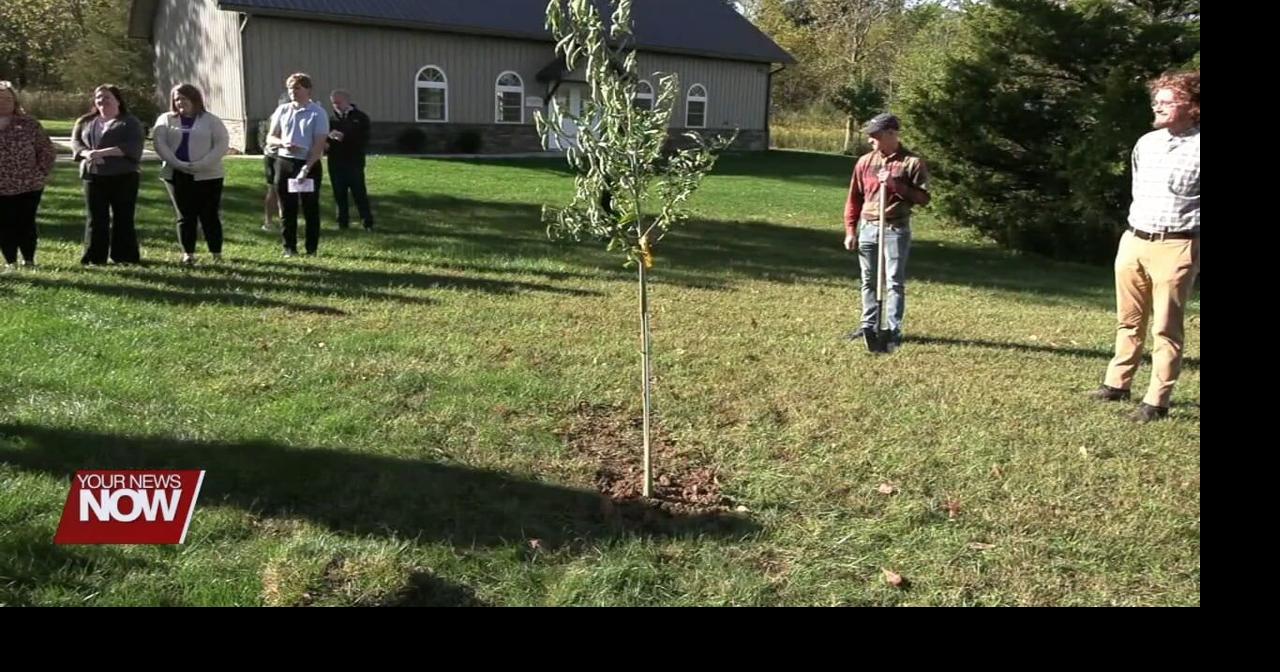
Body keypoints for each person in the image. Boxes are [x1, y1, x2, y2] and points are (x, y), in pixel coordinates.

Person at [1092, 70, 1200, 423]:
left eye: (1168, 101)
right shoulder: (1147, 143)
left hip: (1177, 246)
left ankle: (1157, 401)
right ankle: (1116, 384)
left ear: (1193, 106)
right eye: (1157, 100)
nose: (1158, 106)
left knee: (1166, 328)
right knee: (1128, 320)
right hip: (1134, 240)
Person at [842, 113, 930, 349]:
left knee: (893, 282)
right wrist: (851, 230)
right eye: (869, 135)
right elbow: (854, 199)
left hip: (895, 229)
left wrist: (894, 184)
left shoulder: (912, 163)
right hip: (869, 228)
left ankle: (892, 330)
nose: (870, 140)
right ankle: (868, 326)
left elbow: (923, 198)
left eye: (875, 135)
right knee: (868, 281)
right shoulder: (864, 162)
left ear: (892, 134)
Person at [152, 83, 230, 265]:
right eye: (177, 99)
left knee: (209, 215)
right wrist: (177, 163)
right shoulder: (166, 119)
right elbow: (159, 143)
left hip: (209, 175)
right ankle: (188, 253)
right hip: (176, 173)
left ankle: (216, 253)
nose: (180, 102)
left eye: (184, 98)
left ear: (195, 99)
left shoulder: (211, 120)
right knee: (185, 215)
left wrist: (201, 164)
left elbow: (221, 144)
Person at [72, 84, 145, 265]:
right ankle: (95, 257)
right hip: (93, 175)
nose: (102, 101)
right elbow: (76, 142)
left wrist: (101, 153)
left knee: (123, 217)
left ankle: (124, 256)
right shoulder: (85, 121)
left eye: (107, 97)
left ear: (118, 101)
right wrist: (86, 153)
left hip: (123, 176)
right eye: (99, 97)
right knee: (96, 218)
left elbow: (133, 147)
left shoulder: (129, 122)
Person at [266, 73, 328, 257]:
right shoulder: (283, 110)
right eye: (290, 88)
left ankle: (311, 249)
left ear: (307, 90)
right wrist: (282, 143)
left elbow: (318, 146)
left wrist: (306, 169)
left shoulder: (318, 112)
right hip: (285, 162)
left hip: (308, 163)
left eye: (297, 88)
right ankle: (289, 248)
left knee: (310, 208)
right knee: (287, 208)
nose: (292, 92)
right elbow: (270, 137)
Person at [0, 81, 57, 270]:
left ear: (15, 101)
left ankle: (29, 260)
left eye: (7, 98)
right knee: (5, 224)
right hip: (1, 186)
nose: (3, 102)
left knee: (26, 222)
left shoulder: (29, 124)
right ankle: (10, 262)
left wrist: (42, 172)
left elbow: (46, 150)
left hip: (29, 184)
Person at [327, 89, 374, 231]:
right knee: (339, 193)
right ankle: (342, 223)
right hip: (335, 161)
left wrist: (345, 137)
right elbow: (323, 137)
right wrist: (330, 136)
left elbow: (364, 139)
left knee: (359, 192)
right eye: (333, 103)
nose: (336, 106)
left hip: (354, 161)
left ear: (347, 101)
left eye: (338, 102)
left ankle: (367, 222)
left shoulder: (360, 117)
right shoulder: (330, 119)